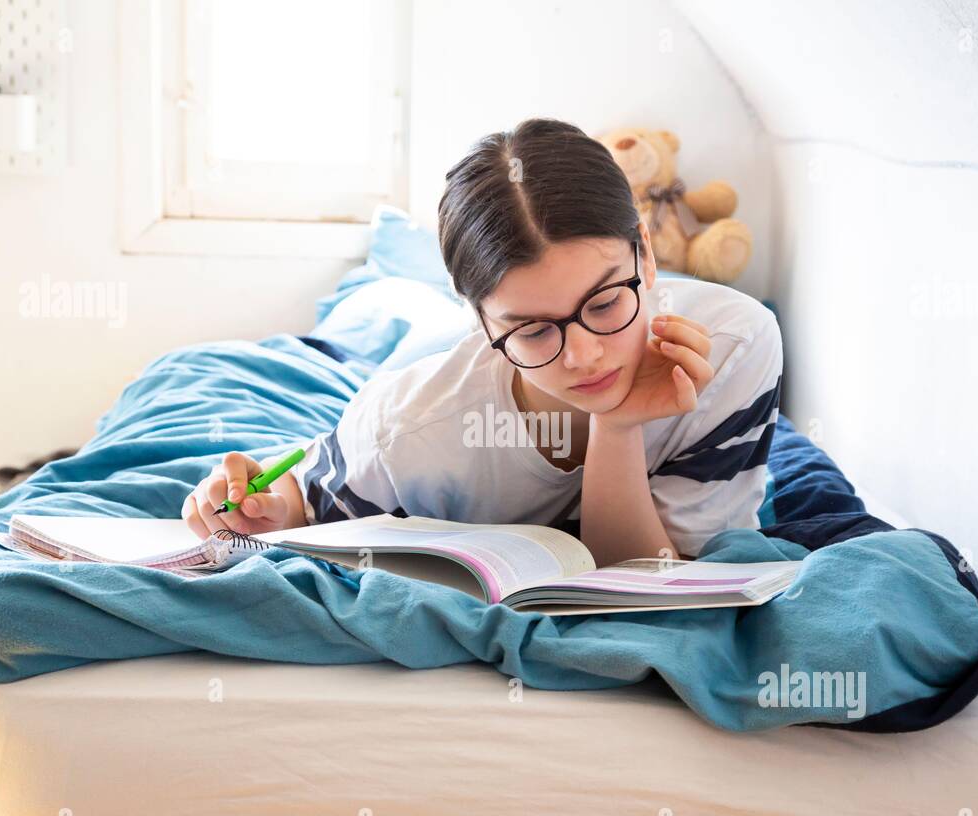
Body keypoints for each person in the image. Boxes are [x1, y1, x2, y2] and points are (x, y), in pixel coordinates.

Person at [184, 118, 782, 566]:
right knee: (382, 309)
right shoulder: (407, 432)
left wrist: (617, 429)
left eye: (604, 303)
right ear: (481, 319)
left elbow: (659, 579)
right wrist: (261, 508)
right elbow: (302, 501)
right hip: (424, 354)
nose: (583, 355)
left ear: (646, 255)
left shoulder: (733, 344)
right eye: (534, 327)